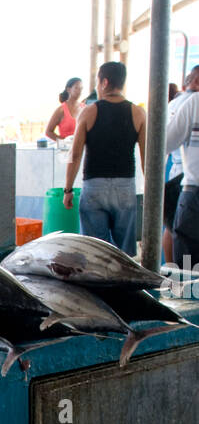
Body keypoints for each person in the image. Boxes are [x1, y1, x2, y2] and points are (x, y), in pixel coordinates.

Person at [64, 62, 146, 256]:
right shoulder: (138, 113)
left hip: (94, 187)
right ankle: (125, 286)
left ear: (104, 82)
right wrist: (152, 195)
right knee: (126, 256)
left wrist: (68, 189)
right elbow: (147, 159)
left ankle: (98, 287)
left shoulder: (88, 112)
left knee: (95, 254)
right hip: (125, 187)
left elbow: (75, 155)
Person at [165, 65, 199, 269]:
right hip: (192, 195)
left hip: (194, 196)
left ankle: (187, 296)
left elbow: (166, 143)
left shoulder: (194, 103)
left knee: (187, 268)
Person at [45, 77, 84, 143]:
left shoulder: (85, 108)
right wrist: (63, 141)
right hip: (66, 150)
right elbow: (48, 132)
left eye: (81, 88)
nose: (79, 91)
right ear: (68, 89)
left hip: (82, 149)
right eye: (76, 88)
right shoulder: (61, 110)